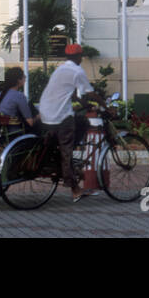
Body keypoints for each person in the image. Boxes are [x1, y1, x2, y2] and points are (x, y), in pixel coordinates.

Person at [36, 43, 95, 202]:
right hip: (60, 117)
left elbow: (67, 92)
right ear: (78, 57)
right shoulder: (77, 71)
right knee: (67, 148)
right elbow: (90, 93)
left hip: (45, 113)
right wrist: (105, 107)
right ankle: (75, 188)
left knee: (61, 144)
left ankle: (70, 170)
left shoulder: (60, 69)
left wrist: (81, 103)